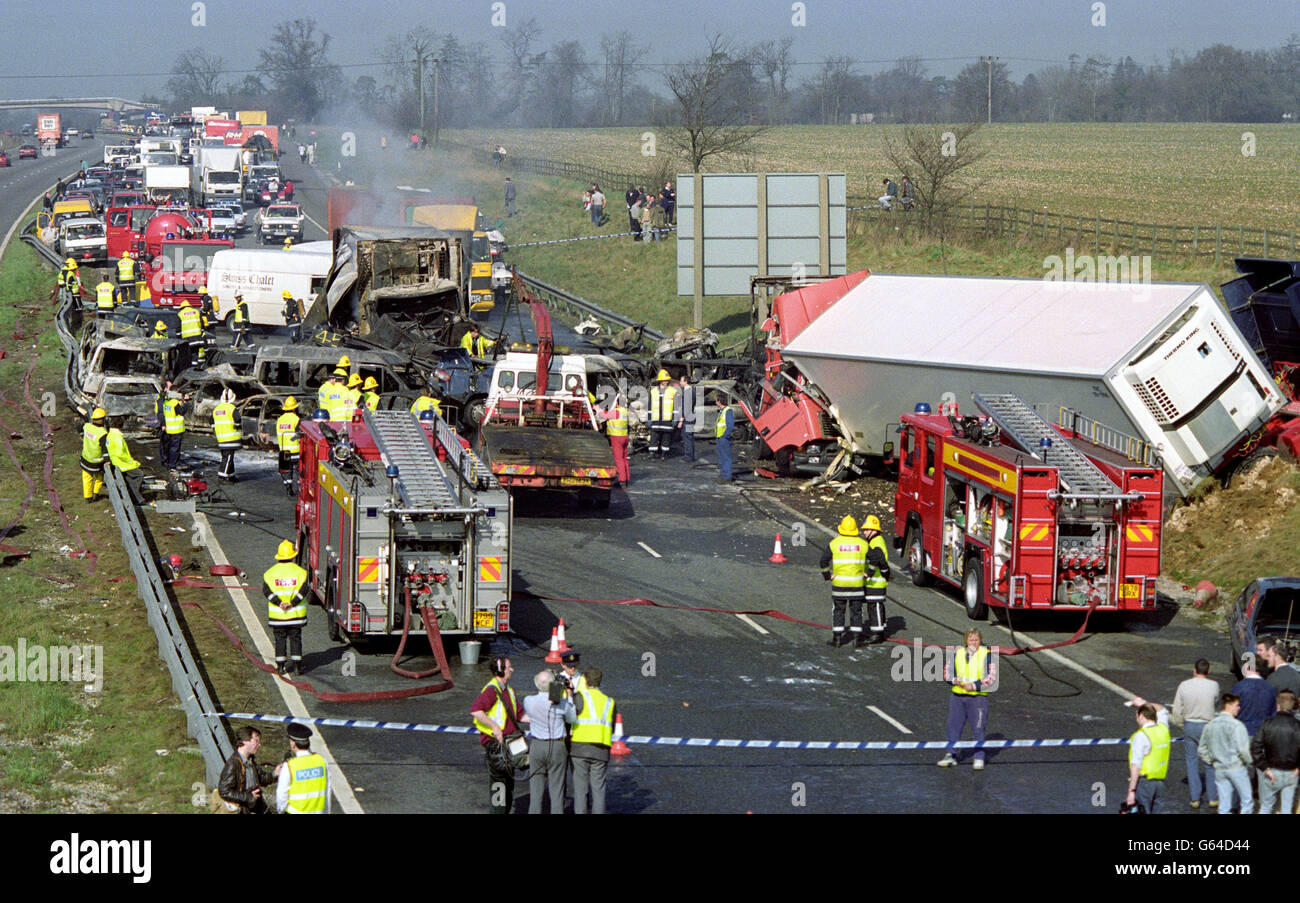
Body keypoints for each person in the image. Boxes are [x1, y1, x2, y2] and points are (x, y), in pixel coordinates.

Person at [470, 657, 529, 814]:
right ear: (501, 670)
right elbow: (476, 711)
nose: (512, 670)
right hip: (497, 745)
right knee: (499, 785)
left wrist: (540, 719)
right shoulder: (491, 690)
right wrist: (494, 727)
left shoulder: (509, 690)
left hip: (510, 743)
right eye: (509, 667)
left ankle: (504, 811)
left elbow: (520, 715)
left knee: (508, 784)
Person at [938, 628, 996, 769]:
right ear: (966, 640)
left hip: (977, 698)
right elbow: (946, 672)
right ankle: (951, 755)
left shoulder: (987, 655)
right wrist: (955, 681)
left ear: (980, 640)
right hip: (957, 697)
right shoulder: (957, 654)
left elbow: (991, 677)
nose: (973, 642)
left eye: (976, 639)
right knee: (953, 727)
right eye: (971, 639)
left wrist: (974, 686)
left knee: (978, 728)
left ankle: (979, 757)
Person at [1171, 658, 1220, 809]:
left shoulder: (1184, 685)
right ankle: (1213, 797)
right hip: (1207, 725)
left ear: (1194, 670)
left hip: (1190, 724)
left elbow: (1177, 709)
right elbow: (1216, 702)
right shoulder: (1214, 685)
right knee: (1209, 762)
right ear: (1208, 671)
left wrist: (1181, 724)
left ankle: (1195, 797)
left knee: (1191, 761)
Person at [524, 670, 574, 814]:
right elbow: (572, 718)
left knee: (536, 790)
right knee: (557, 790)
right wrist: (568, 694)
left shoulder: (528, 701)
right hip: (557, 746)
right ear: (554, 685)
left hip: (537, 746)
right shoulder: (561, 703)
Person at [569, 667, 615, 815]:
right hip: (601, 750)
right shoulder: (609, 702)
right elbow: (612, 726)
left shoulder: (579, 697)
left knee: (580, 789)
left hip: (579, 749)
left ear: (586, 681)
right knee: (599, 790)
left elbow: (569, 717)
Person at [1201, 693, 1254, 814]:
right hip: (1236, 767)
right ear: (1228, 706)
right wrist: (1249, 762)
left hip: (1219, 768)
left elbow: (1202, 749)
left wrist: (1212, 761)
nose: (1239, 708)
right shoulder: (1237, 725)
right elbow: (1243, 750)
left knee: (1224, 804)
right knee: (1247, 801)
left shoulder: (1210, 725)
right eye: (1237, 705)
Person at [263, 539, 308, 676]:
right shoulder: (301, 572)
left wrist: (279, 603)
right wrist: (292, 603)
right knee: (296, 639)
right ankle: (298, 667)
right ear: (293, 556)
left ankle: (281, 667)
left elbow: (267, 592)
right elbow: (304, 591)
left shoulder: (269, 574)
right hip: (295, 616)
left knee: (280, 640)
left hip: (278, 617)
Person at [820, 516, 867, 647]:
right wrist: (868, 573)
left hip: (839, 585)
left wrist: (827, 575)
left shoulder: (834, 543)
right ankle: (857, 640)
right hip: (857, 585)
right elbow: (875, 558)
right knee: (856, 611)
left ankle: (837, 639)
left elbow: (823, 561)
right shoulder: (863, 544)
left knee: (839, 611)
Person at [1252, 690, 1300, 814]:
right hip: (1291, 771)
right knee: (1286, 808)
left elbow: (1255, 747)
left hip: (1271, 771)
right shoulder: (1297, 725)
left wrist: (1264, 767)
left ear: (1278, 705)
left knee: (1266, 806)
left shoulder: (1268, 724)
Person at [1124, 697, 1171, 814]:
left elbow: (1136, 764)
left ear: (1141, 716)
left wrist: (1132, 790)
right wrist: (1144, 703)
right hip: (1160, 783)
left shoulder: (1140, 736)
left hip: (1144, 784)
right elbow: (1162, 710)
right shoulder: (1163, 729)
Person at [216, 726, 276, 814]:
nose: (259, 744)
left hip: (256, 806)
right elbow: (224, 791)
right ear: (245, 741)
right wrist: (248, 797)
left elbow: (261, 779)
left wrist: (275, 774)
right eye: (256, 741)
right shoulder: (233, 764)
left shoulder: (250, 761)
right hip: (244, 809)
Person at [276, 723, 330, 814]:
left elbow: (281, 795)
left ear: (293, 744)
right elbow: (327, 791)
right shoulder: (322, 762)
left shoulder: (289, 766)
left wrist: (281, 810)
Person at [861, 515, 891, 643]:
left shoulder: (876, 543)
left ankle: (877, 634)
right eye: (865, 529)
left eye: (868, 529)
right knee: (876, 606)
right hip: (876, 582)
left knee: (875, 607)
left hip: (875, 582)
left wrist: (870, 573)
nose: (865, 532)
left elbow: (880, 560)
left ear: (874, 531)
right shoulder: (876, 541)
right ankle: (880, 630)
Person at [1231, 660, 1278, 736]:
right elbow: (1273, 712)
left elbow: (1231, 711)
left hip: (1242, 730)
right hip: (1263, 732)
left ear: (1247, 668)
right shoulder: (1269, 688)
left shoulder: (1239, 687)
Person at [105, 419, 145, 505]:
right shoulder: (117, 437)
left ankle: (138, 498)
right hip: (122, 464)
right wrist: (131, 461)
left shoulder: (110, 435)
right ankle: (134, 496)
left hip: (115, 462)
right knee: (139, 475)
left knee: (130, 479)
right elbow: (120, 453)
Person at [157, 383, 190, 470]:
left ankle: (168, 462)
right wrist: (186, 403)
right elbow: (182, 411)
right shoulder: (175, 403)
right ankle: (173, 464)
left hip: (169, 428)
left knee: (169, 447)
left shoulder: (167, 402)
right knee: (175, 448)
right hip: (176, 429)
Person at [647, 369, 678, 457]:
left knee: (666, 437)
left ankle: (664, 454)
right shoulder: (653, 391)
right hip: (656, 419)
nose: (666, 382)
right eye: (664, 380)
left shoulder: (673, 391)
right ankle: (652, 453)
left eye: (667, 380)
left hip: (667, 420)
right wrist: (649, 418)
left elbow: (676, 407)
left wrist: (675, 418)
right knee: (654, 437)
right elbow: (650, 406)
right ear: (660, 380)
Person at [80, 408, 108, 502]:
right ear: (103, 420)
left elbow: (80, 428)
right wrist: (107, 460)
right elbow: (105, 449)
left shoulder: (86, 426)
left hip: (85, 458)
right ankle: (96, 492)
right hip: (97, 462)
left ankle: (88, 497)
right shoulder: (102, 433)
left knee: (86, 478)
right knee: (99, 477)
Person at [213, 388, 241, 482]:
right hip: (231, 439)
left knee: (228, 458)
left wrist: (216, 430)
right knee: (228, 458)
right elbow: (238, 421)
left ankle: (231, 475)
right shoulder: (232, 409)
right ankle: (223, 477)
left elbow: (211, 422)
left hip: (221, 439)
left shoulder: (217, 409)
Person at [276, 396, 301, 496]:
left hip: (283, 450)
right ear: (294, 408)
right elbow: (299, 434)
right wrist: (293, 439)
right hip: (295, 450)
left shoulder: (280, 420)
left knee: (286, 471)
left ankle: (288, 488)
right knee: (299, 470)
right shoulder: (296, 419)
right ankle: (301, 489)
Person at [714, 392, 735, 483]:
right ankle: (723, 475)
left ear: (719, 401)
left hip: (723, 438)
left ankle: (727, 477)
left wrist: (724, 436)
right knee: (721, 457)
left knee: (726, 457)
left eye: (716, 401)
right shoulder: (722, 411)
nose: (715, 403)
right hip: (720, 438)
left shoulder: (728, 411)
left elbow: (730, 425)